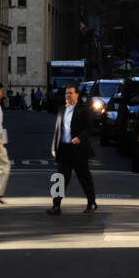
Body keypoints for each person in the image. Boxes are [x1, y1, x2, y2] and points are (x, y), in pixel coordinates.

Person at [48, 84, 97, 215]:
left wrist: (80, 138)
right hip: (64, 149)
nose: (67, 95)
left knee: (84, 177)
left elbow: (89, 128)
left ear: (77, 95)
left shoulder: (83, 110)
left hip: (79, 149)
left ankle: (91, 203)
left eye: (70, 93)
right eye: (66, 93)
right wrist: (54, 146)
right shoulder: (61, 110)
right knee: (60, 178)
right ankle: (56, 205)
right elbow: (57, 130)